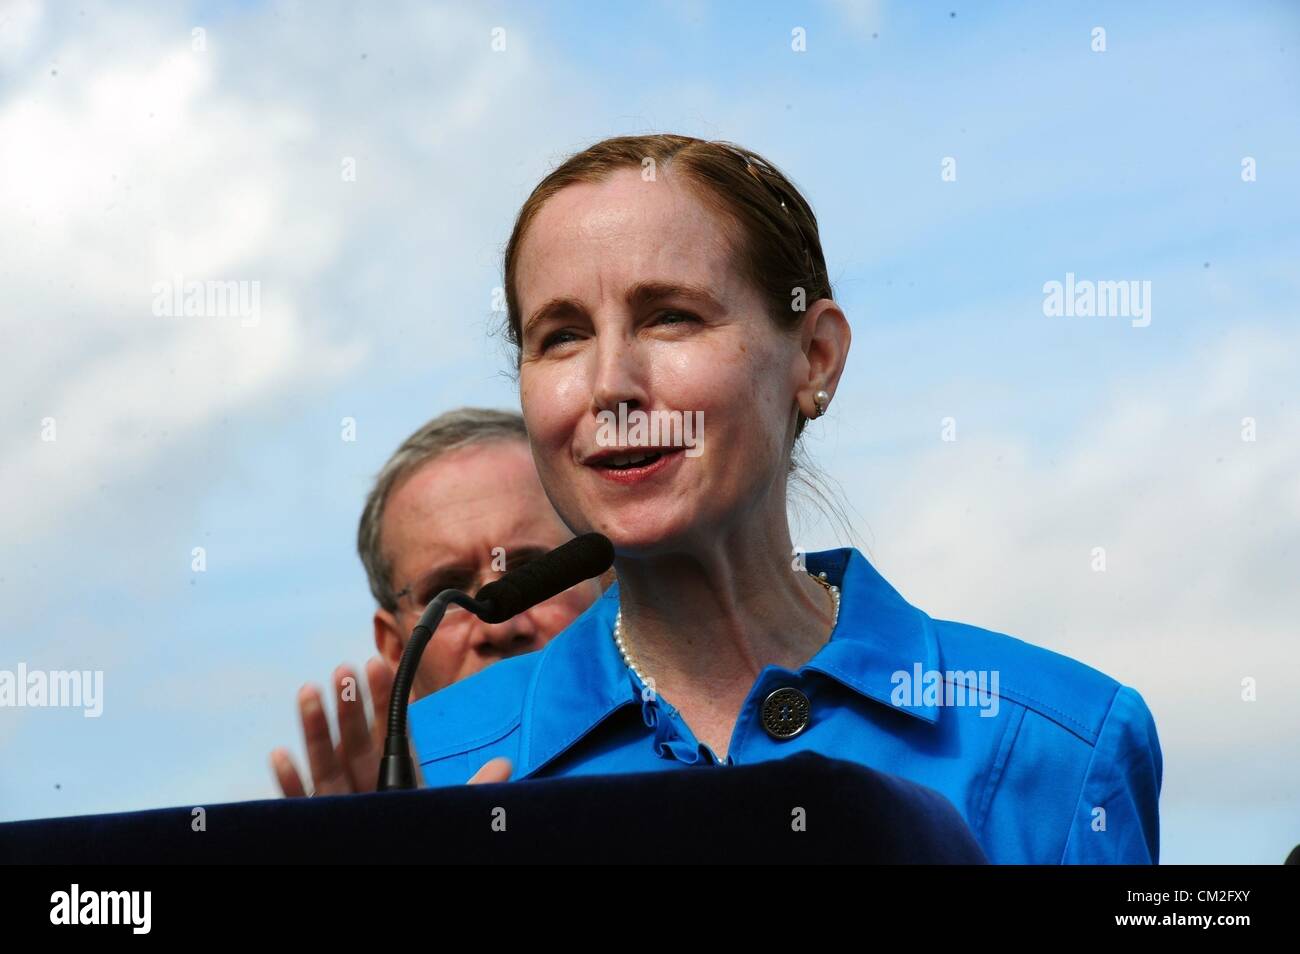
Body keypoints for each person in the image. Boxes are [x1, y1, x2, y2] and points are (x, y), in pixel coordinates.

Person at [406, 134, 1163, 863]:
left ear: (815, 357)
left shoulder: (1063, 743)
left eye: (670, 316)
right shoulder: (430, 759)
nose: (610, 387)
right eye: (562, 335)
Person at [270, 408, 602, 797]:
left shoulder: (684, 746)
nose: (499, 628)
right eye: (446, 592)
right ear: (395, 646)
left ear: (608, 579)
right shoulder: (373, 813)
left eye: (531, 570)